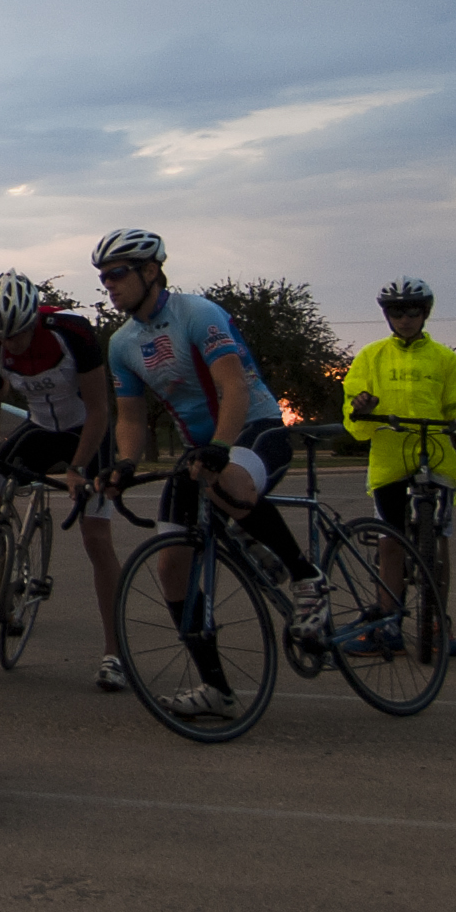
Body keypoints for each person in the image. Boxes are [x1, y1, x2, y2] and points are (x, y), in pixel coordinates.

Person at [95, 228, 306, 720]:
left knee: (224, 479)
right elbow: (129, 415)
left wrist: (219, 448)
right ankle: (217, 689)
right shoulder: (122, 343)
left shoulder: (198, 314)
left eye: (118, 274)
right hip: (200, 453)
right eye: (104, 278)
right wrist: (126, 461)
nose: (109, 285)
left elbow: (232, 388)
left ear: (151, 271)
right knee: (172, 566)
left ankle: (307, 577)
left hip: (254, 428)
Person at [0, 272, 126, 684]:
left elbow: (101, 411)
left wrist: (76, 469)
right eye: (4, 336)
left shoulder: (72, 332)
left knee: (96, 538)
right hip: (38, 429)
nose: (12, 344)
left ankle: (115, 653)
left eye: (18, 334)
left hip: (86, 432)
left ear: (34, 319)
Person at [337, 275, 456, 659]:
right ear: (387, 316)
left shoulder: (444, 358)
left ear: (425, 314)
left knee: (437, 545)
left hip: (435, 459)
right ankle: (386, 624)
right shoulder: (371, 356)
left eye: (412, 312)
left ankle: (437, 620)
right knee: (390, 542)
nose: (404, 319)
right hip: (390, 463)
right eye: (396, 312)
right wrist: (362, 409)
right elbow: (353, 407)